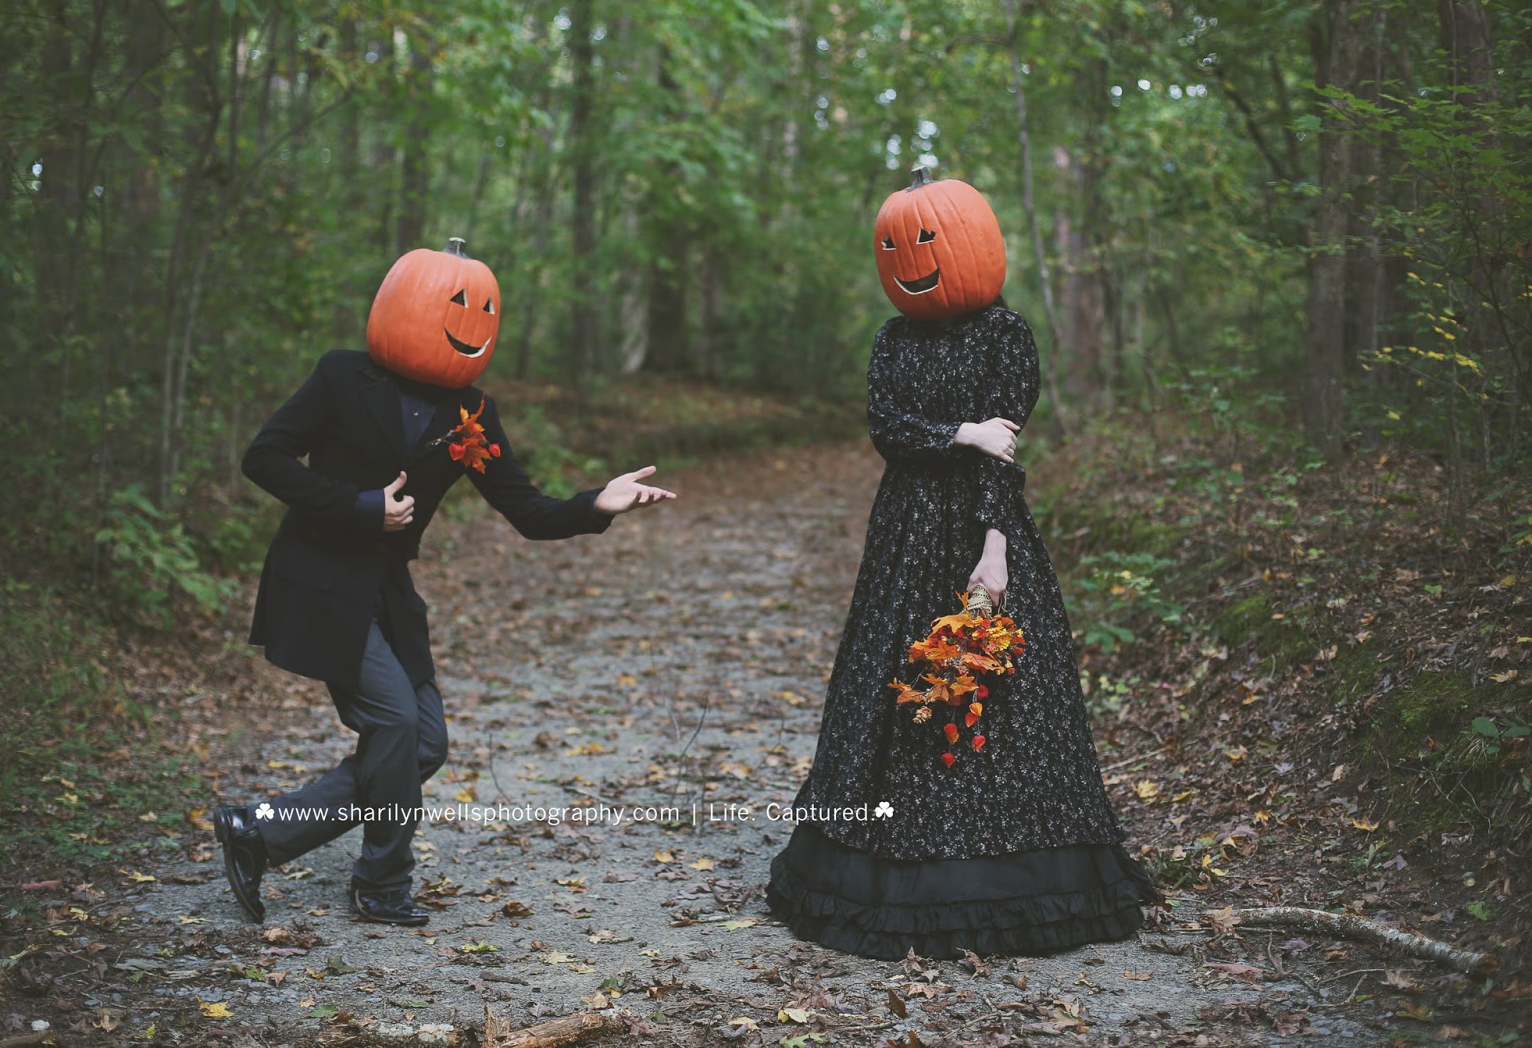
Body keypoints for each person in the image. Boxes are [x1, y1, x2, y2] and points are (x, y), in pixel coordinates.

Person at [214, 238, 673, 927]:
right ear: (407, 301)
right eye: (458, 302)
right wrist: (362, 505)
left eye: (484, 306)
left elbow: (527, 510)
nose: (472, 315)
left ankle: (262, 831)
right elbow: (264, 457)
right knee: (395, 721)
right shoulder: (342, 376)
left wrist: (594, 504)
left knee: (424, 743)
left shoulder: (473, 413)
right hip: (319, 580)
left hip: (386, 592)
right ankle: (382, 883)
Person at [766, 170, 1157, 959]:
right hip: (905, 533)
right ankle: (878, 868)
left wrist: (995, 547)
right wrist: (962, 432)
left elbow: (1005, 457)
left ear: (971, 240)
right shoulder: (892, 338)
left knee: (993, 688)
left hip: (979, 526)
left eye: (927, 239)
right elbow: (888, 427)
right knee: (895, 683)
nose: (909, 254)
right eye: (893, 243)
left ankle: (1011, 874)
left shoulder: (1005, 333)